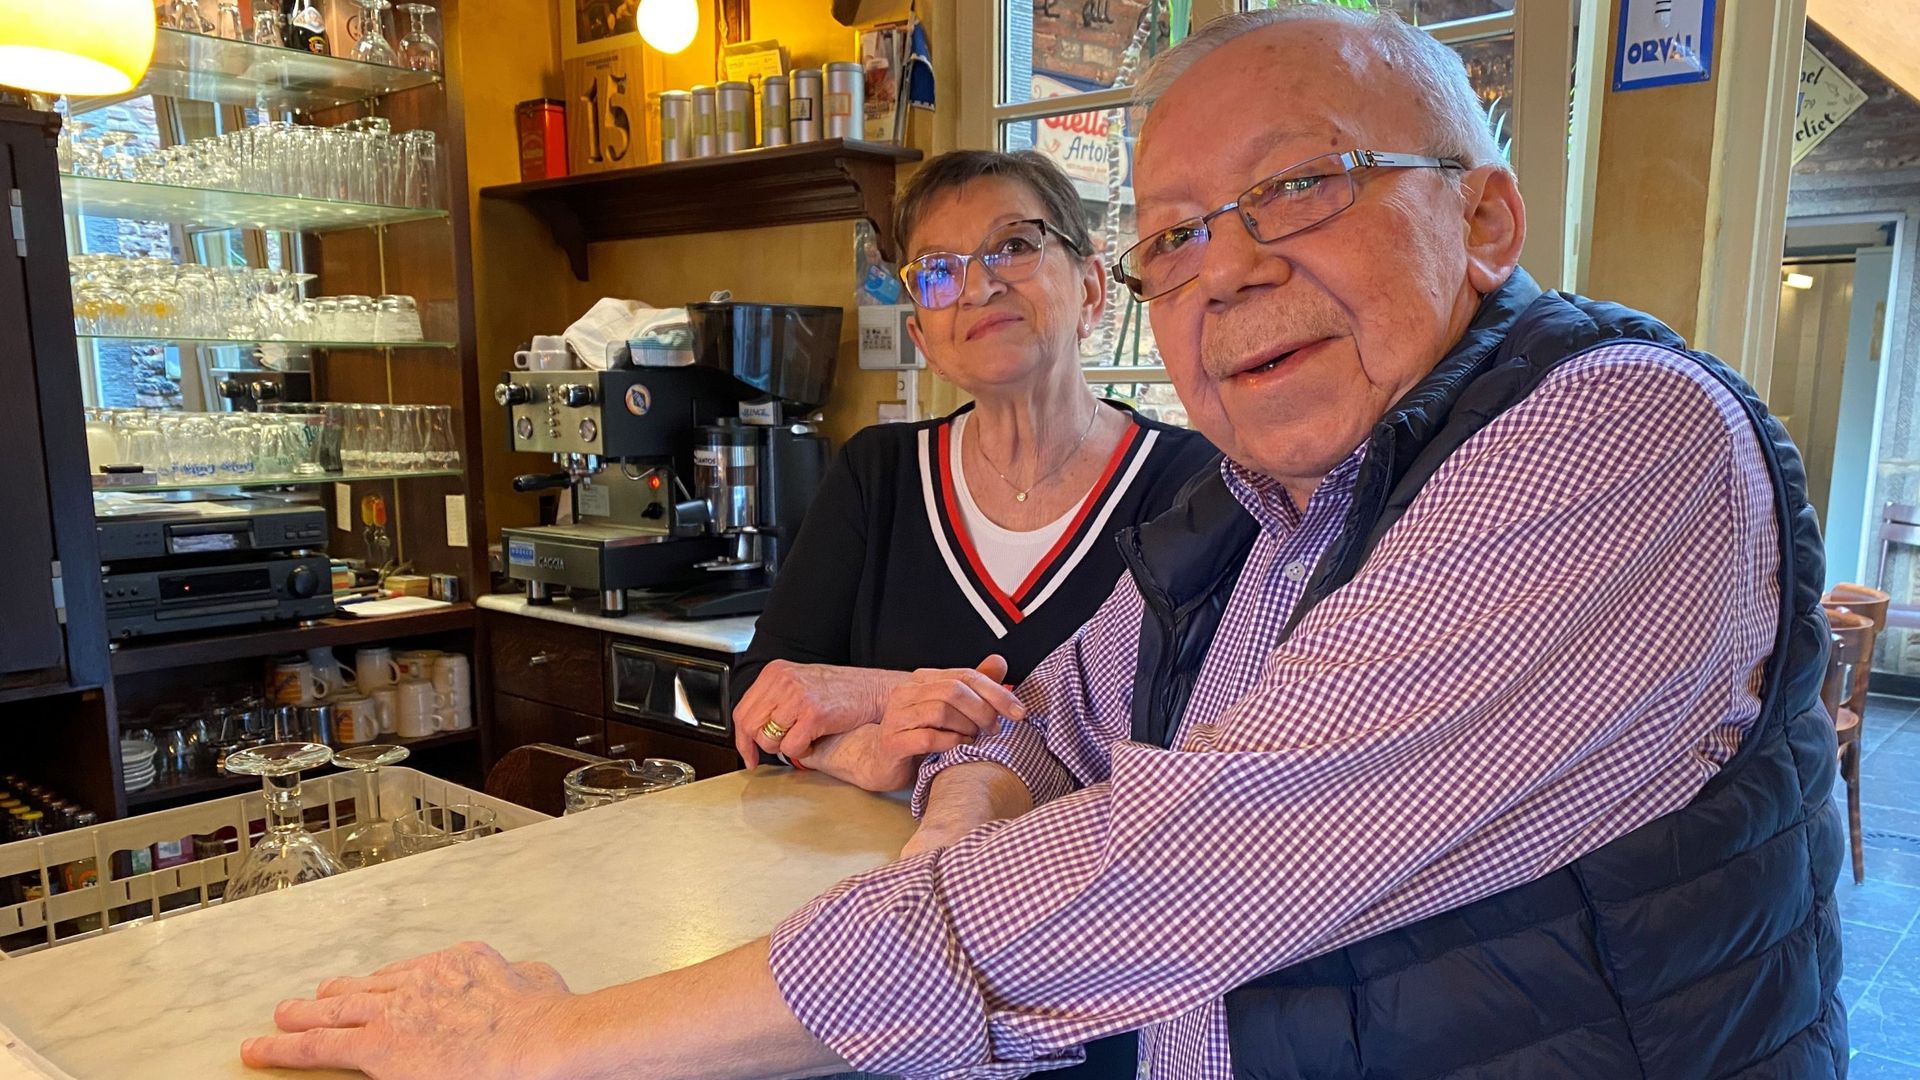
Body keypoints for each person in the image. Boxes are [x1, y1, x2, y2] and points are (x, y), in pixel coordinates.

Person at [241, 8, 1843, 1079]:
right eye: (1176, 235)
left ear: (1484, 220)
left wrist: (555, 1039)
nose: (1223, 272)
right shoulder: (1256, 497)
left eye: (1298, 189)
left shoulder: (1615, 436)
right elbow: (1040, 718)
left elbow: (1181, 857)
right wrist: (965, 816)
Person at [729, 149, 1217, 801]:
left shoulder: (1199, 483)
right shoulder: (879, 473)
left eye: (1013, 245)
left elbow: (1203, 729)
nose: (978, 286)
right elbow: (758, 701)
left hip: (1090, 885)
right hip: (875, 876)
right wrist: (865, 751)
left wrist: (882, 693)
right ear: (924, 340)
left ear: (1091, 291)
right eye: (938, 270)